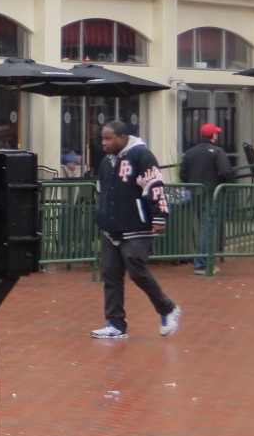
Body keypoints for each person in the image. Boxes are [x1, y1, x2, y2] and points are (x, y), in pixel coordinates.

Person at [90, 119, 181, 339]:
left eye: (109, 138)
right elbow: (102, 190)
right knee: (111, 274)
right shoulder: (106, 161)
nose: (104, 142)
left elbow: (155, 187)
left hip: (137, 226)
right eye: (102, 138)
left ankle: (167, 308)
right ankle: (115, 323)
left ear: (123, 137)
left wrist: (159, 217)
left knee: (136, 269)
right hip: (112, 227)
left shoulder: (142, 156)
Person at [180, 122, 234, 272]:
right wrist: (222, 184)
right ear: (214, 136)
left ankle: (203, 262)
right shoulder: (218, 152)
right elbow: (225, 172)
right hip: (211, 195)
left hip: (195, 195)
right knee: (207, 229)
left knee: (204, 228)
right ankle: (202, 264)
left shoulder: (190, 153)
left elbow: (183, 173)